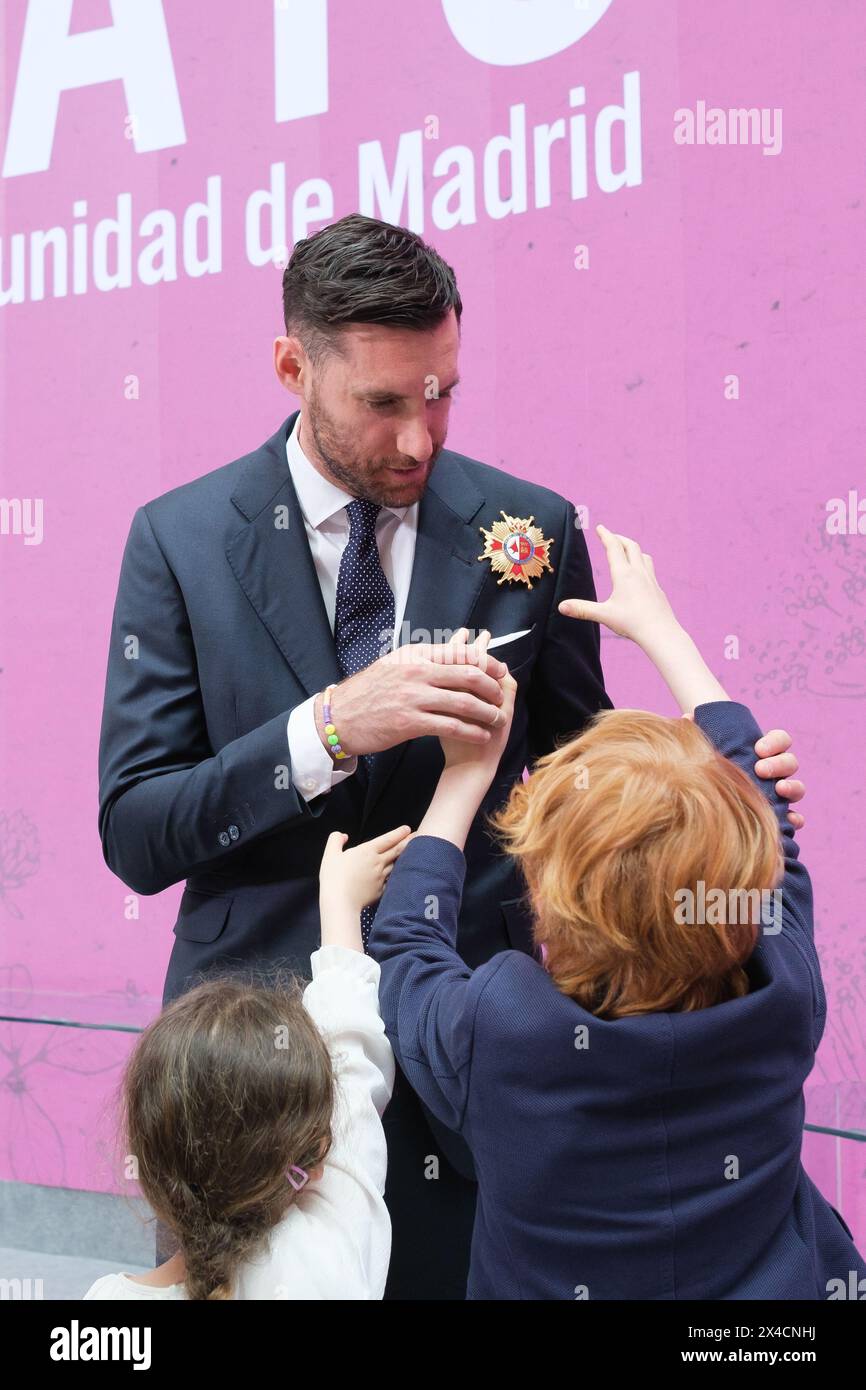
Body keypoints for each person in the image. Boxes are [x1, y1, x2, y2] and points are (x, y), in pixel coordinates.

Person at [97, 212, 804, 1298]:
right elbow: (140, 832)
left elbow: (583, 781)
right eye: (382, 403)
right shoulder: (178, 539)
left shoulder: (529, 522)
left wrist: (724, 795)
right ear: (293, 366)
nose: (419, 438)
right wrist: (328, 727)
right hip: (257, 1075)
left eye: (440, 393)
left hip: (483, 1057)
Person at [365, 524, 862, 1300]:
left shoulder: (501, 1027)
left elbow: (403, 948)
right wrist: (662, 631)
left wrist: (465, 776)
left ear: (551, 918)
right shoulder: (782, 981)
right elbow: (761, 794)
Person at [83, 827, 410, 1300]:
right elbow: (352, 1062)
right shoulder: (330, 1255)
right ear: (317, 1156)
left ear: (147, 1162)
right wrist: (339, 904)